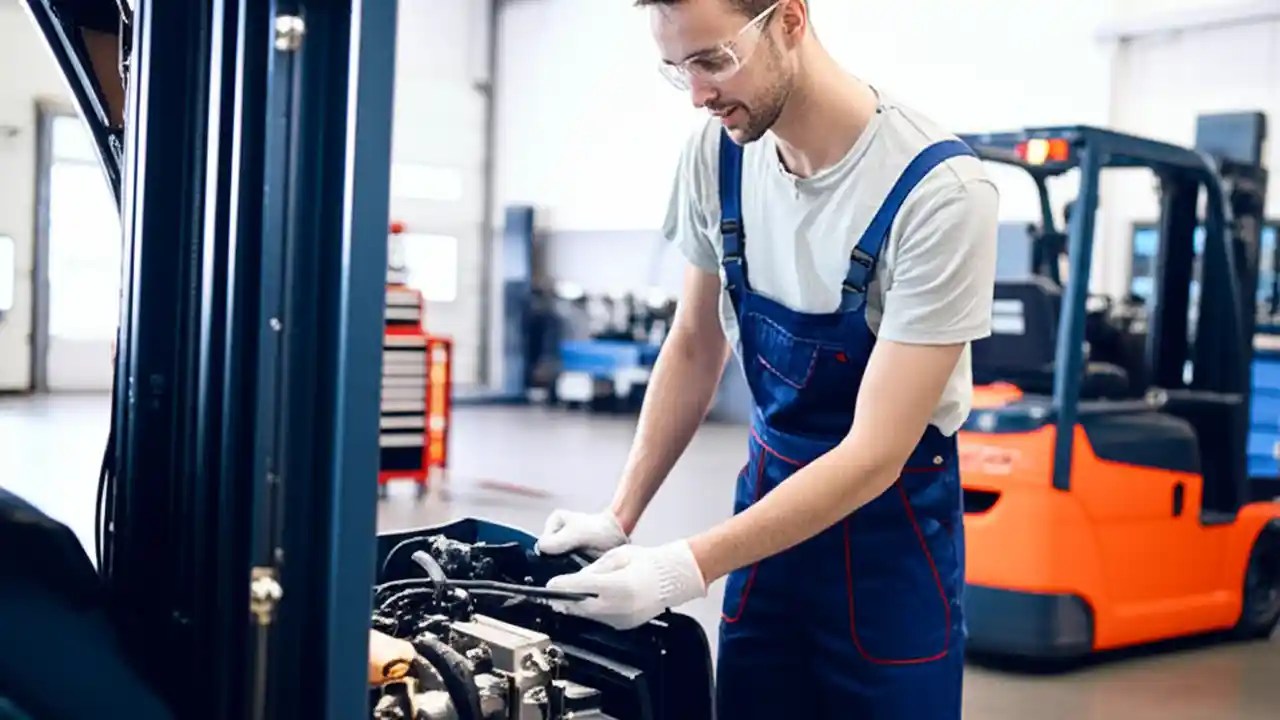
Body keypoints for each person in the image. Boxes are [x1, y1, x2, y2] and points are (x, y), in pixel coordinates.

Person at [539, 0, 998, 716]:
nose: (698, 95)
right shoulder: (717, 154)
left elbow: (877, 452)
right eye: (677, 68)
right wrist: (620, 516)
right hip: (765, 525)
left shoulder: (939, 193)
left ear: (790, 20)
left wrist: (680, 568)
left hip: (890, 546)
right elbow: (694, 343)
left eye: (713, 60)